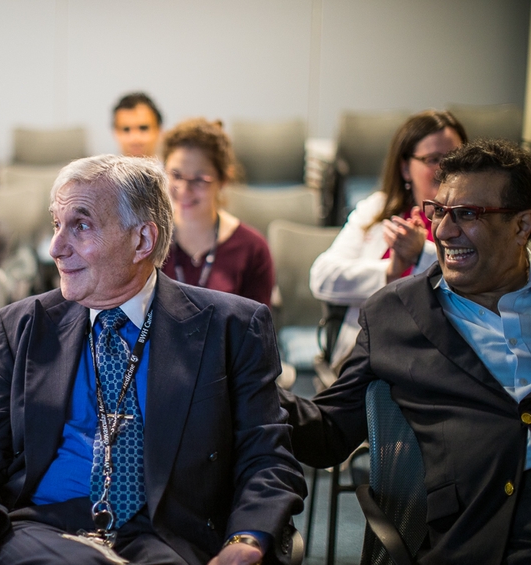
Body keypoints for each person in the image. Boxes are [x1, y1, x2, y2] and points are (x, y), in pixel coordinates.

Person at [0, 155, 305, 565]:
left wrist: (247, 539)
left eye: (80, 226)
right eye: (56, 225)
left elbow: (266, 458)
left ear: (142, 240)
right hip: (40, 531)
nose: (56, 248)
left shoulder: (231, 327)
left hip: (168, 535)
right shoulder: (21, 327)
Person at [281, 139, 531, 564]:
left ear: (522, 225)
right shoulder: (396, 313)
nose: (444, 231)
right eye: (439, 211)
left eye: (467, 214)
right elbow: (328, 434)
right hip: (474, 540)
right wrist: (244, 380)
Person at [310, 110, 466, 372]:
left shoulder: (475, 220)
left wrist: (422, 254)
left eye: (454, 158)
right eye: (433, 159)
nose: (446, 168)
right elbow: (322, 277)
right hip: (369, 356)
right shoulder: (376, 210)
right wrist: (390, 272)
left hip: (442, 361)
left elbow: (475, 291)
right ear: (405, 168)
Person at [161, 118, 274, 307]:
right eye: (176, 175)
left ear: (223, 180)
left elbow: (257, 322)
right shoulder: (148, 240)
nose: (184, 190)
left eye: (199, 179)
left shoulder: (252, 248)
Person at [112, 92, 163, 158]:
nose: (135, 139)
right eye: (126, 129)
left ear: (159, 130)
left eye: (143, 128)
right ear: (115, 132)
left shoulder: (172, 164)